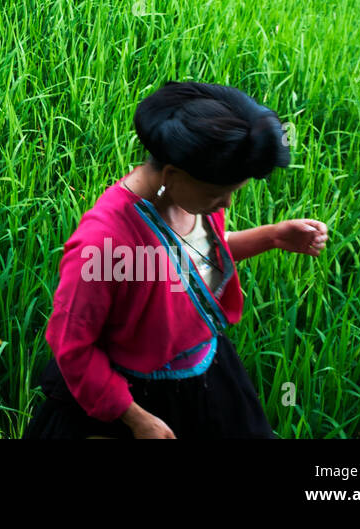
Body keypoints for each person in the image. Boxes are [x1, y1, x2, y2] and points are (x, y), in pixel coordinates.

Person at [24, 81, 329, 439]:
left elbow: (191, 261)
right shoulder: (104, 243)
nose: (227, 204)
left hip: (205, 373)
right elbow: (71, 345)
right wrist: (138, 420)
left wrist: (273, 236)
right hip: (132, 398)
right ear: (171, 175)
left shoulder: (192, 199)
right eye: (220, 193)